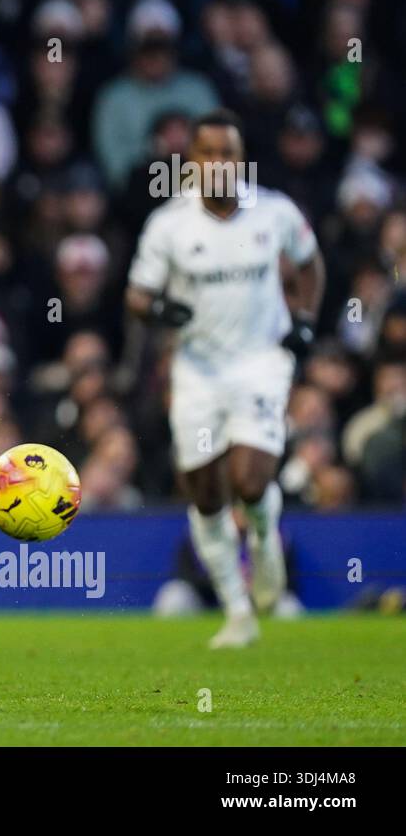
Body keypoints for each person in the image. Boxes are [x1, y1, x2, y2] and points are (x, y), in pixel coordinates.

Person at [126, 109, 324, 648]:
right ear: (191, 162)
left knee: (252, 481)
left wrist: (304, 321)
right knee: (207, 496)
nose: (219, 163)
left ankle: (263, 542)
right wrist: (161, 312)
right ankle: (238, 613)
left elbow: (310, 264)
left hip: (261, 362)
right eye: (208, 153)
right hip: (198, 372)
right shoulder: (169, 224)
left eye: (229, 153)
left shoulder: (274, 212)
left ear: (242, 159)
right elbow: (137, 294)